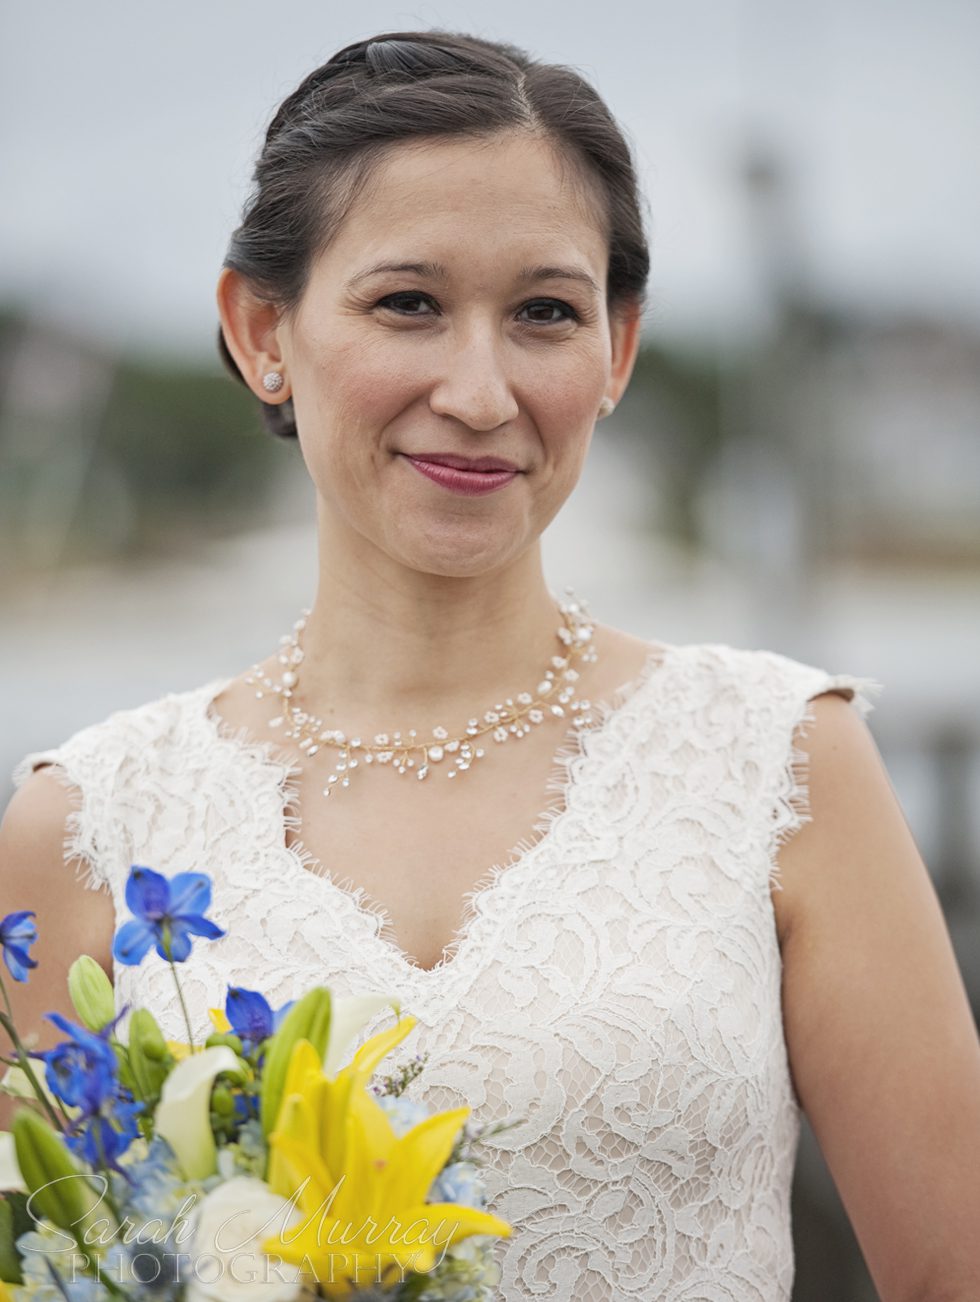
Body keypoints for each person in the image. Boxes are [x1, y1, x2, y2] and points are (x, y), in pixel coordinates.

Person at [2, 29, 978, 1301]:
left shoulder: (782, 761)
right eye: (407, 302)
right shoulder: (84, 821)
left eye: (543, 314)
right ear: (261, 331)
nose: (477, 390)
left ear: (616, 351)